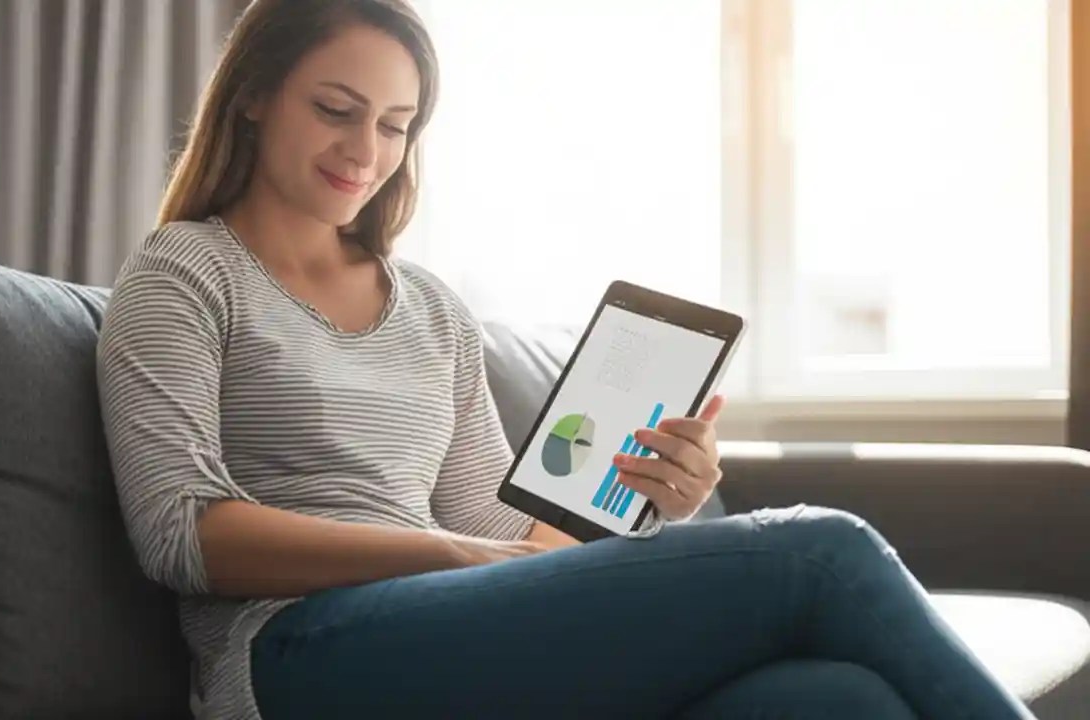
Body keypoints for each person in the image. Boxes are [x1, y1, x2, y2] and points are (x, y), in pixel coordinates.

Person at [94, 1, 1035, 718]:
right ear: (253, 94)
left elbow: (507, 543)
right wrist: (449, 557)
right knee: (821, 552)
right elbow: (183, 532)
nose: (364, 150)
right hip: (291, 654)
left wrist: (641, 510)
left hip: (439, 626)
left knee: (836, 700)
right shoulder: (185, 272)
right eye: (336, 109)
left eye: (395, 124)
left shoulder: (429, 308)